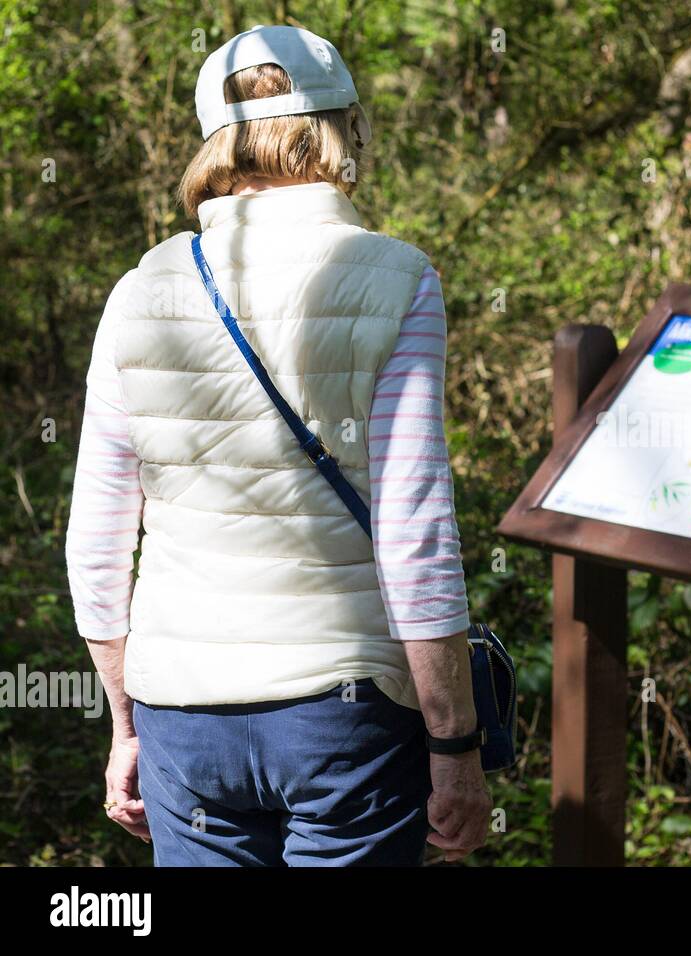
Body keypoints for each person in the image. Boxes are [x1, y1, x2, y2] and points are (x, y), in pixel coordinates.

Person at [64, 24, 492, 866]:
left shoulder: (138, 290)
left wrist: (124, 722)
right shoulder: (398, 276)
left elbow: (97, 542)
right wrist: (454, 746)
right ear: (340, 130)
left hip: (180, 714)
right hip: (345, 716)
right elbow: (415, 537)